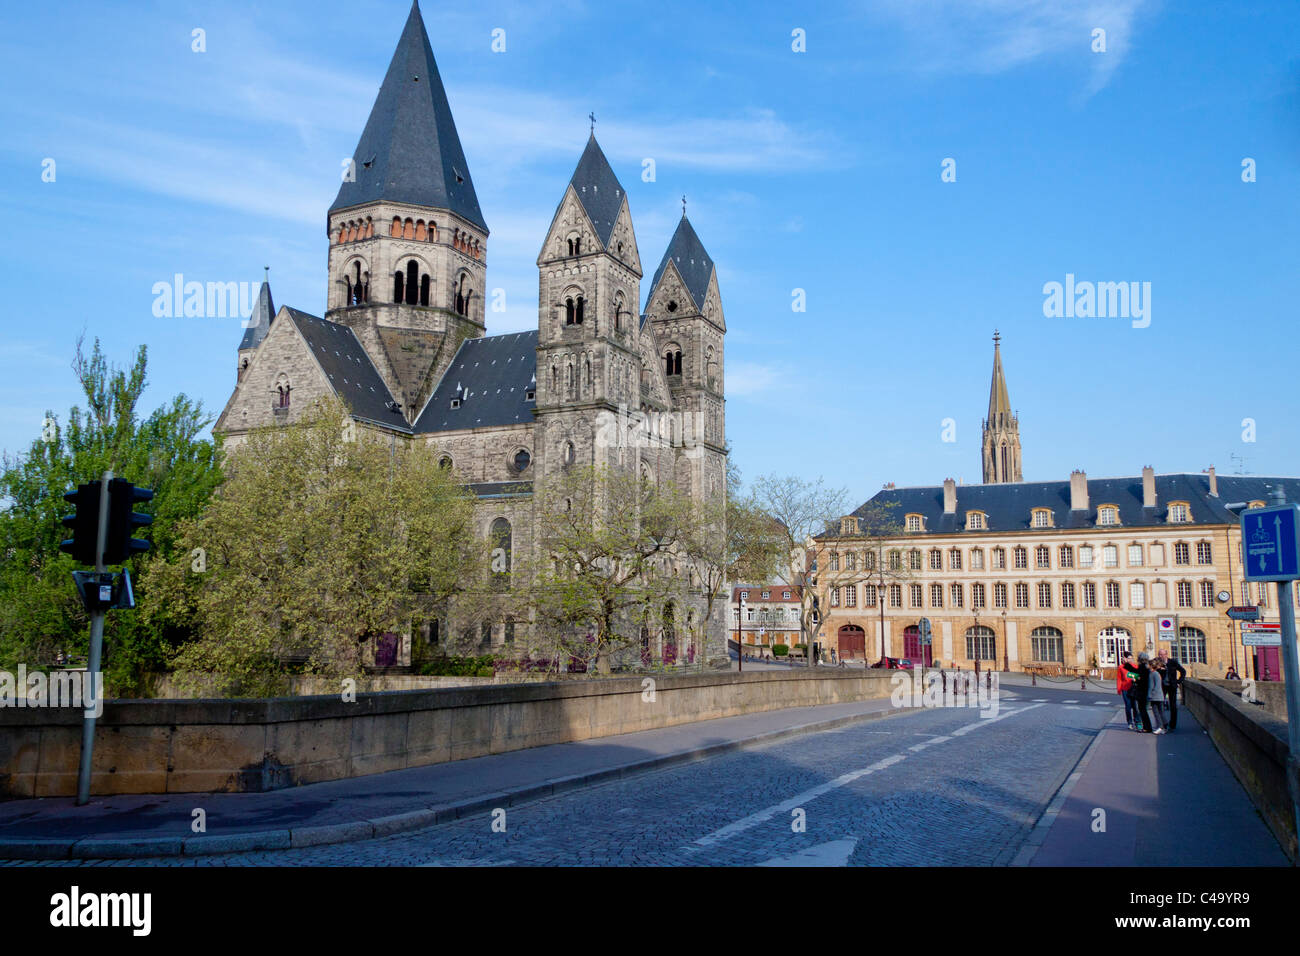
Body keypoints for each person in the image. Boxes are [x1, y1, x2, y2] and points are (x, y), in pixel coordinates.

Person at [1157, 648, 1186, 732]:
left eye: (1162, 654)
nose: (1161, 656)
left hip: (1172, 686)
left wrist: (1178, 681)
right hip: (1162, 686)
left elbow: (1183, 671)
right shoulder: (1158, 663)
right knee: (1160, 704)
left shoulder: (1173, 662)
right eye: (1160, 654)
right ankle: (1162, 723)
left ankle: (1172, 725)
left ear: (1166, 654)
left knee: (1173, 705)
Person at [1133, 652, 1154, 733]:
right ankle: (1147, 726)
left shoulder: (1141, 667)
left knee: (1142, 710)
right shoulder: (1147, 667)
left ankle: (1147, 727)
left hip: (1141, 691)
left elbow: (1140, 679)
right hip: (1146, 691)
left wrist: (1135, 679)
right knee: (1144, 709)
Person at [1116, 652, 1138, 729]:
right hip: (1125, 689)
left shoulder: (1135, 666)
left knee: (1135, 706)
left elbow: (1138, 676)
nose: (1130, 660)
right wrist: (1119, 689)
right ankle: (1129, 722)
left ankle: (1137, 721)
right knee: (1128, 706)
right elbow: (1119, 679)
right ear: (1125, 659)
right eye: (1129, 658)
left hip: (1134, 689)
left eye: (1131, 658)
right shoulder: (1121, 667)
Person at [1147, 656, 1167, 734]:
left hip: (1155, 696)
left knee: (1156, 712)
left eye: (1149, 665)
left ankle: (1160, 726)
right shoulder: (1157, 673)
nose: (1147, 666)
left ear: (1151, 666)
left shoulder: (1152, 674)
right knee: (1161, 712)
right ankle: (1164, 726)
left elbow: (1152, 686)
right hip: (1160, 696)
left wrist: (1149, 696)